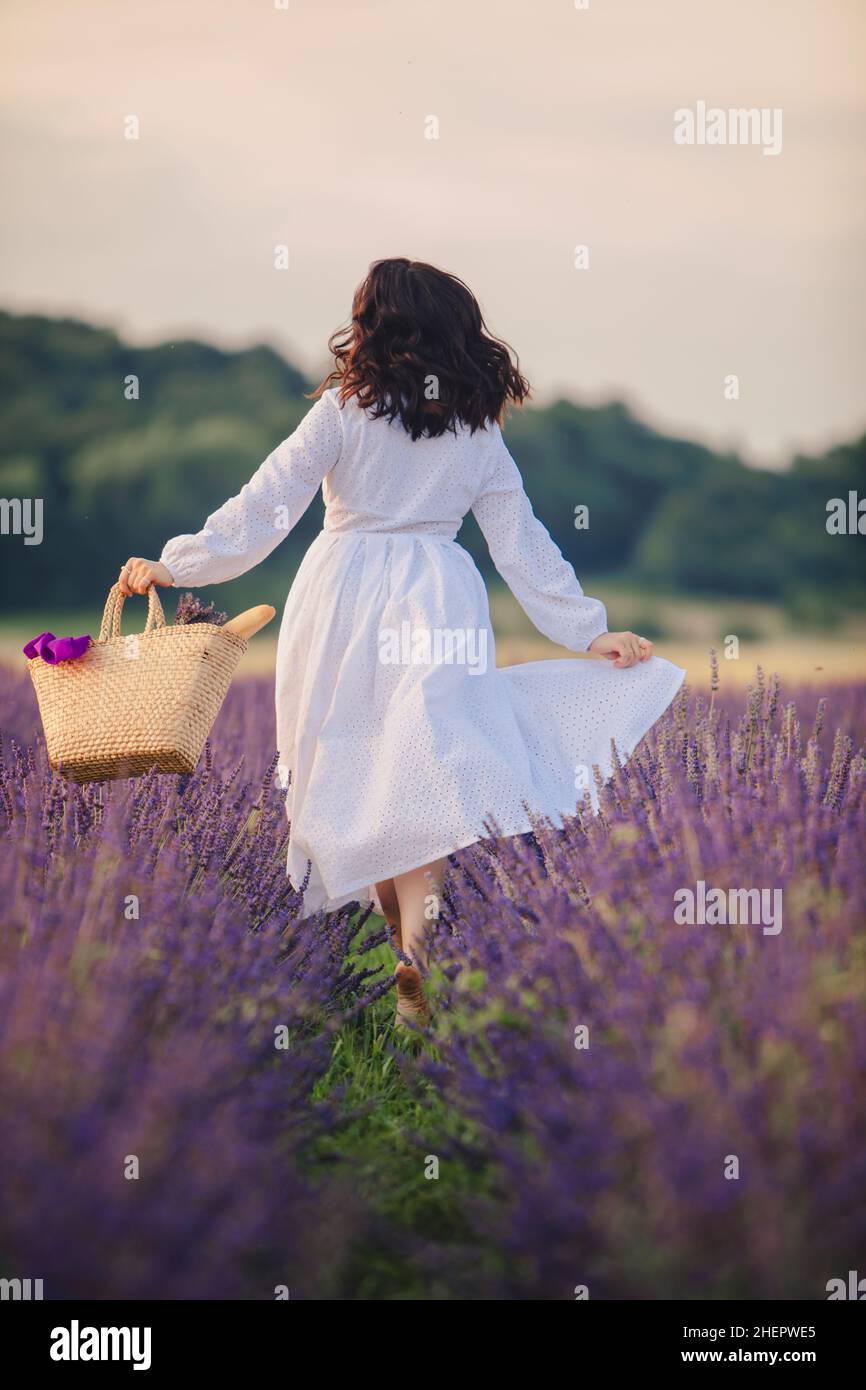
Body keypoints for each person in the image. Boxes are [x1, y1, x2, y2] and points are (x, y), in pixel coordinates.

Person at [118, 257, 685, 1027]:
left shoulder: (341, 414)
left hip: (341, 593)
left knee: (353, 766)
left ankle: (403, 946)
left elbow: (265, 508)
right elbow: (523, 545)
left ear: (373, 328)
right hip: (438, 598)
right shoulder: (477, 431)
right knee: (426, 771)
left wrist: (177, 562)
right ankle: (413, 951)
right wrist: (590, 629)